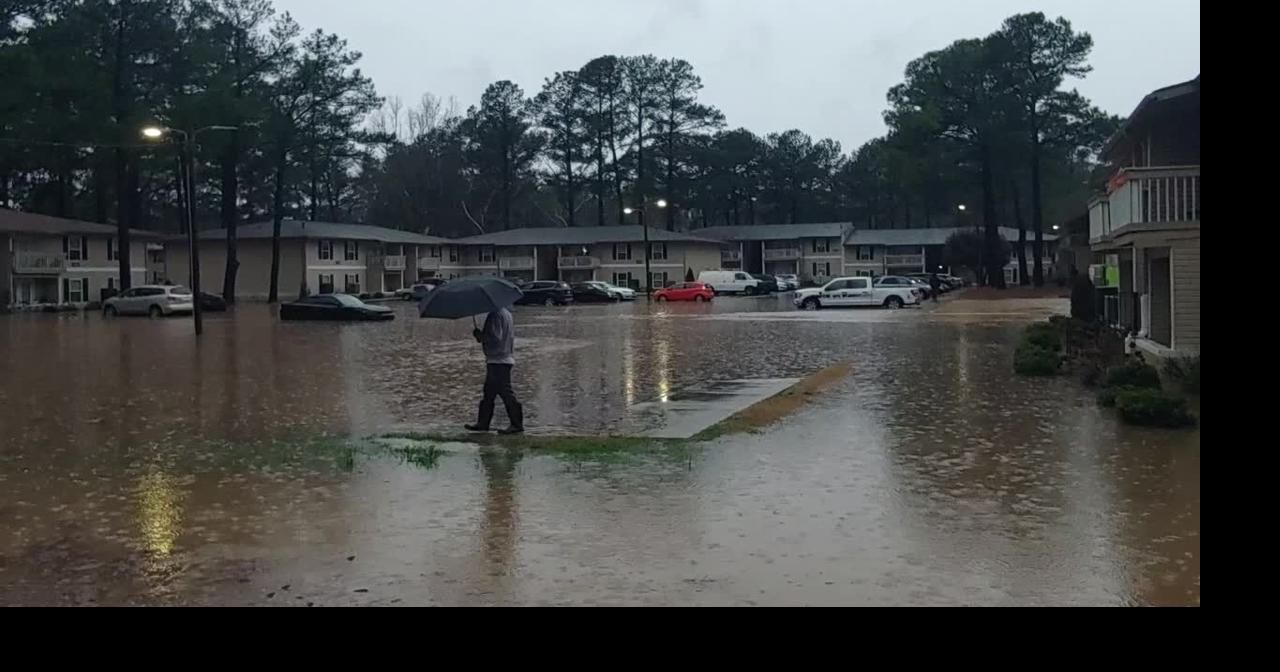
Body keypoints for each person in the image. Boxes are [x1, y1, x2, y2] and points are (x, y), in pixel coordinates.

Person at [465, 307, 524, 434]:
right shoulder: (506, 313)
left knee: (505, 392)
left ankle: (516, 424)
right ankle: (483, 423)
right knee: (489, 392)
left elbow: (496, 338)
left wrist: (481, 336)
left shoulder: (495, 315)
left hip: (499, 361)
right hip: (501, 359)